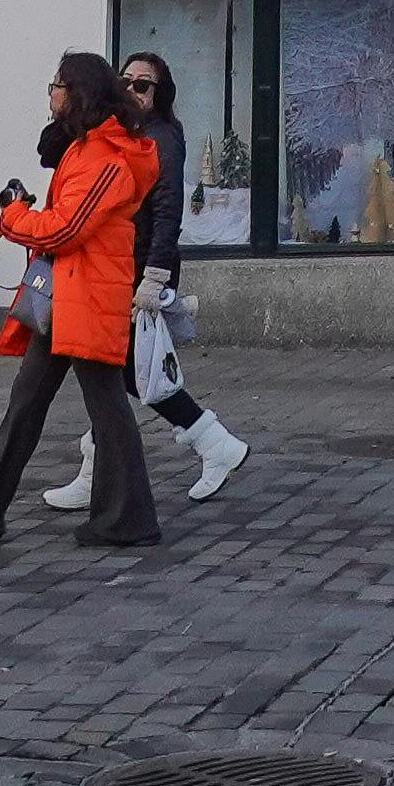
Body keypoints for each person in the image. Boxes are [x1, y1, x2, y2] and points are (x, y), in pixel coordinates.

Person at [0, 53, 161, 548]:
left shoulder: (105, 158)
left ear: (76, 93)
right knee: (29, 401)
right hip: (68, 298)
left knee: (107, 409)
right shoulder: (83, 150)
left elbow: (65, 229)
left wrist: (12, 217)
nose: (51, 95)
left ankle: (129, 519)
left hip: (87, 299)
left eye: (56, 86)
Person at [47, 51, 253, 511]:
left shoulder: (161, 137)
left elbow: (166, 212)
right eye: (126, 81)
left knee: (133, 374)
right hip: (120, 270)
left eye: (144, 85)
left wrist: (153, 280)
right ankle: (102, 468)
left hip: (141, 272)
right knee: (118, 376)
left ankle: (212, 442)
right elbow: (49, 150)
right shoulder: (122, 132)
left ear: (160, 94)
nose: (134, 90)